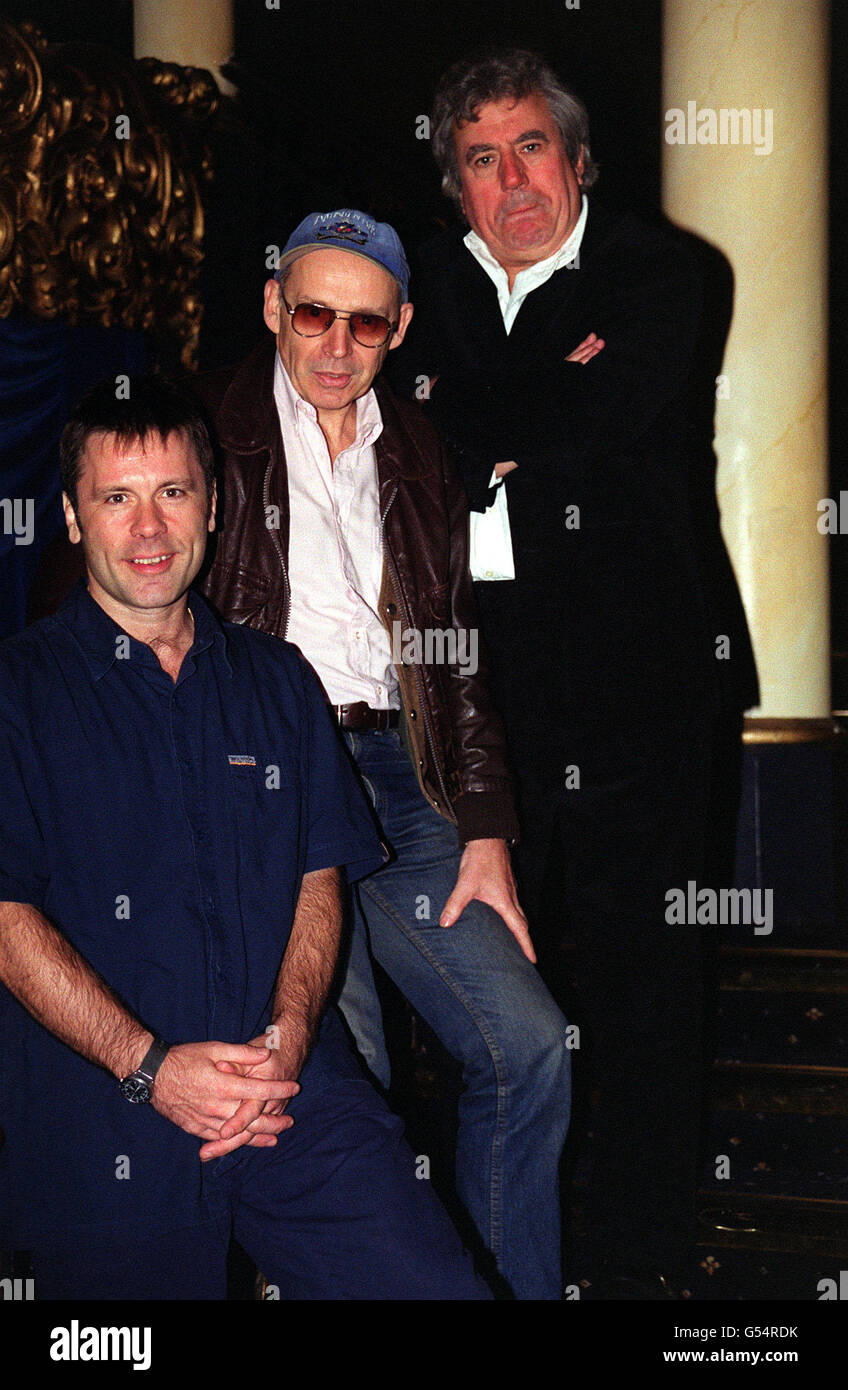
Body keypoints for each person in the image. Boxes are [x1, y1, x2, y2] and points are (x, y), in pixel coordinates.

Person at [387, 50, 756, 1298]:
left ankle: (637, 1271)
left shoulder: (666, 273)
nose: (511, 179)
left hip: (640, 694)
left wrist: (467, 410)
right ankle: (492, 1263)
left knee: (644, 1000)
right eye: (479, 159)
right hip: (476, 707)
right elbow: (430, 416)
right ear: (456, 185)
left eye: (530, 146)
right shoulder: (418, 282)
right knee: (488, 1001)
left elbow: (563, 421)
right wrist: (511, 404)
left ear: (578, 158)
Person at [0, 374, 491, 1301]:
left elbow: (319, 872)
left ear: (214, 506)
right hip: (106, 1120)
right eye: (116, 498)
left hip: (289, 1097)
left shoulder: (277, 680)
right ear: (72, 519)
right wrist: (149, 1069)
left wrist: (296, 1036)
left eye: (172, 493)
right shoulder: (18, 695)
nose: (149, 529)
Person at [195, 208, 571, 1300]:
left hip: (407, 785)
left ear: (398, 327)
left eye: (364, 324)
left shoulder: (415, 444)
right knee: (334, 1084)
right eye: (312, 313)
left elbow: (455, 652)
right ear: (274, 306)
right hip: (268, 781)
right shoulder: (206, 427)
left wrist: (487, 830)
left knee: (530, 1047)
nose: (334, 344)